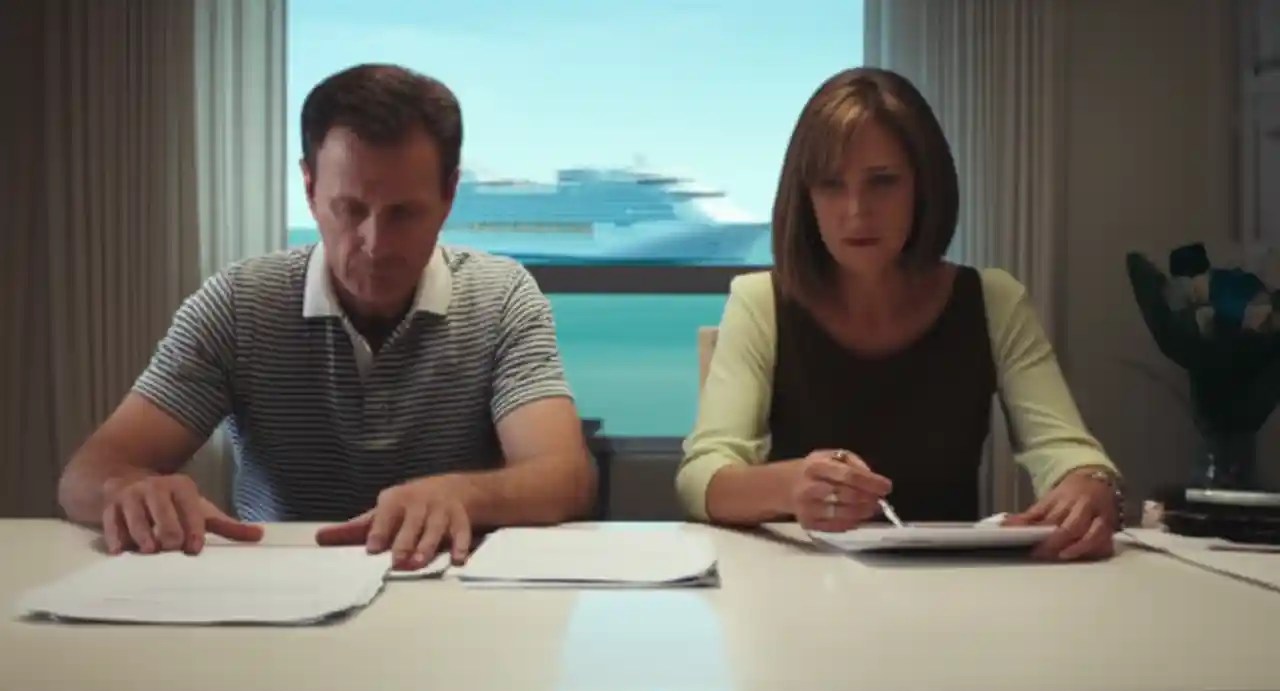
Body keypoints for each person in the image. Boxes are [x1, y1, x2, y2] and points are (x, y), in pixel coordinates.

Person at [58, 63, 596, 569]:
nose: (375, 244)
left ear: (450, 195)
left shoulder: (502, 298)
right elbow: (86, 474)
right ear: (310, 188)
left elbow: (565, 477)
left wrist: (460, 494)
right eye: (350, 209)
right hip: (276, 595)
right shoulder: (240, 303)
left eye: (403, 214)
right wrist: (128, 491)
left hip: (446, 593)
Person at [676, 67, 1123, 561]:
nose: (856, 211)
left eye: (882, 182)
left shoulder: (994, 300)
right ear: (805, 198)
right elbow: (700, 479)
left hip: (952, 589)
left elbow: (1066, 450)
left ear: (923, 186)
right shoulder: (760, 301)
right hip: (798, 592)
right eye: (830, 185)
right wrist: (786, 486)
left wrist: (1089, 484)